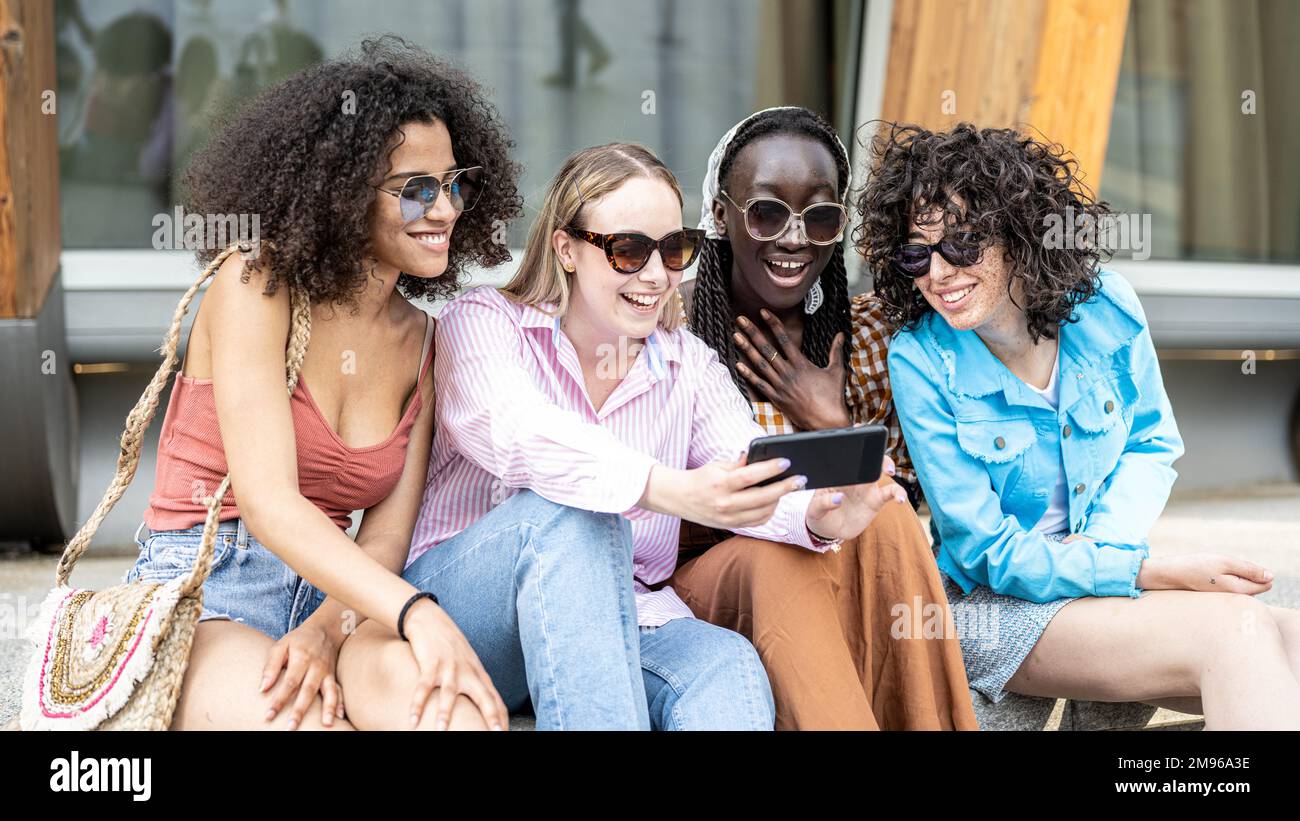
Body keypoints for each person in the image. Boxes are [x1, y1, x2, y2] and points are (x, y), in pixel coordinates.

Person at [343, 141, 902, 730]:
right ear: (566, 249)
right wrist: (664, 488)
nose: (657, 275)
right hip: (465, 611)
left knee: (725, 665)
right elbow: (513, 433)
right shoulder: (484, 321)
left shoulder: (688, 364)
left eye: (673, 249)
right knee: (574, 517)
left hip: (621, 618)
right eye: (629, 250)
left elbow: (745, 473)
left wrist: (824, 513)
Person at [125, 37, 523, 731]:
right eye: (416, 190)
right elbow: (268, 500)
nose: (447, 209)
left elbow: (386, 539)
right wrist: (414, 610)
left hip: (340, 601)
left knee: (453, 717)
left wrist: (327, 629)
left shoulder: (425, 340)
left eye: (455, 183)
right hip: (210, 586)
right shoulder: (256, 283)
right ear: (341, 193)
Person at [863, 121, 1300, 729]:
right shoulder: (920, 360)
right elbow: (984, 549)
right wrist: (1139, 570)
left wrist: (1107, 548)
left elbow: (1150, 441)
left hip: (1097, 572)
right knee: (1240, 630)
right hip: (992, 605)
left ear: (1019, 234)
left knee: (1293, 644)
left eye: (961, 245)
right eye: (917, 252)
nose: (937, 273)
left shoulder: (1109, 306)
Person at [674, 106, 977, 729]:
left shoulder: (863, 335)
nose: (795, 238)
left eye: (820, 216)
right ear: (720, 216)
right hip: (718, 589)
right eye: (766, 212)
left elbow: (905, 510)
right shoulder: (666, 328)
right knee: (774, 557)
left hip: (833, 581)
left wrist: (828, 420)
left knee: (888, 518)